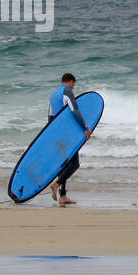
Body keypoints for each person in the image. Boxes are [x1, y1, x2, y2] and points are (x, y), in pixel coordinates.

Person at [48, 73, 92, 206]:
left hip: (56, 132)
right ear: (71, 81)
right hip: (66, 134)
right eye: (74, 84)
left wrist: (50, 135)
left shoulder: (53, 94)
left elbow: (50, 116)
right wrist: (85, 128)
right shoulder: (67, 92)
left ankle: (63, 197)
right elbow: (75, 111)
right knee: (74, 163)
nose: (73, 87)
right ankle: (57, 184)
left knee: (65, 164)